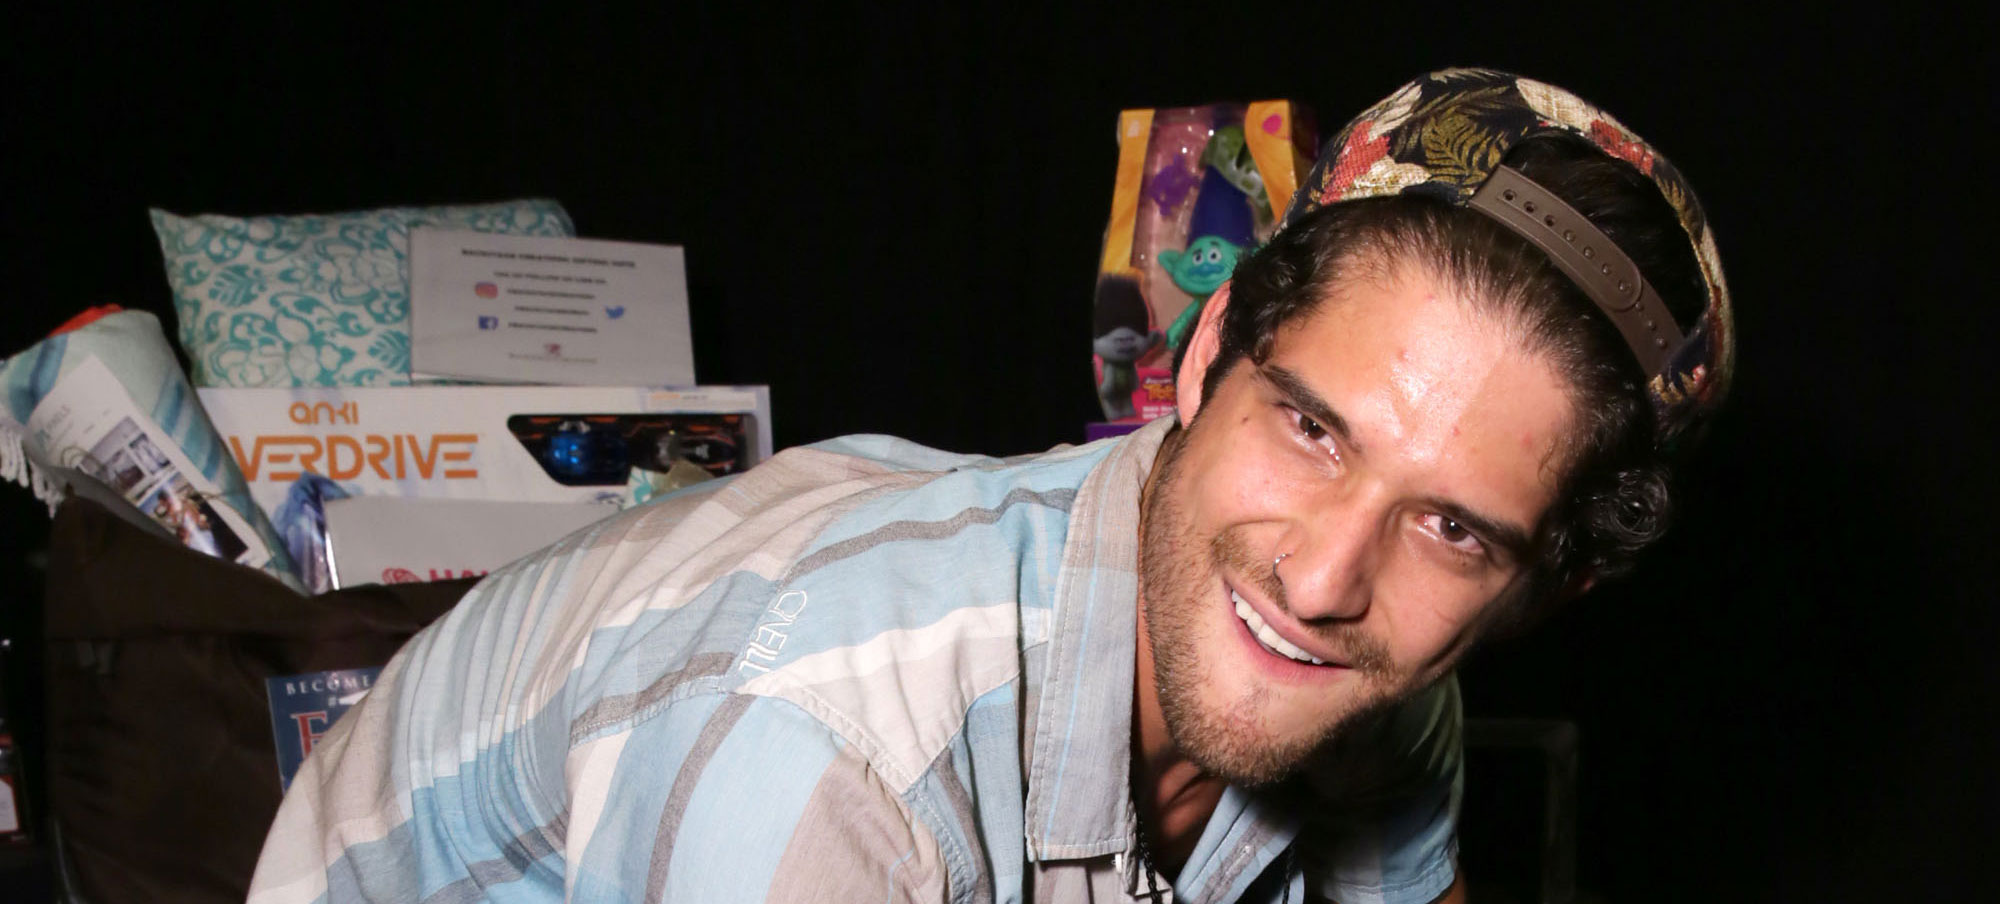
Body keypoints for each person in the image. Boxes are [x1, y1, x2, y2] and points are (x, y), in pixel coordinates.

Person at [248, 69, 1732, 904]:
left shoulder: (1387, 698)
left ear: (1548, 585)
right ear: (1209, 349)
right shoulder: (823, 734)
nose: (1328, 578)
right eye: (1314, 429)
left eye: (1453, 528)